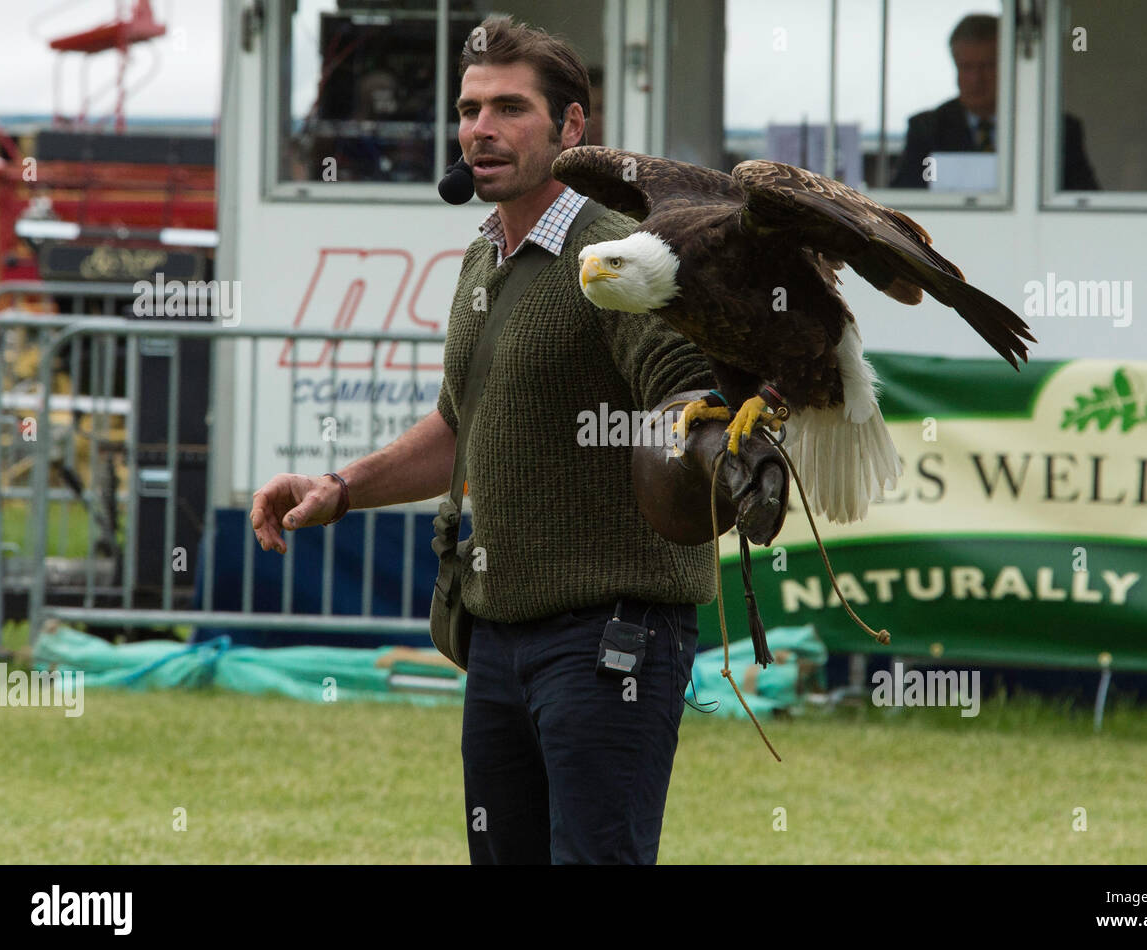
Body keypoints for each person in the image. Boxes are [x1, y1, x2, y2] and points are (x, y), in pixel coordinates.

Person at [250, 15, 778, 865]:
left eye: (508, 108)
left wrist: (726, 449)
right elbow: (462, 424)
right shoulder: (484, 258)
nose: (479, 130)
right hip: (498, 636)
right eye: (468, 109)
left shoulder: (619, 254)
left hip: (613, 637)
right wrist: (340, 487)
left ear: (572, 127)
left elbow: (687, 396)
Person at [890, 13, 1099, 191]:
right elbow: (905, 202)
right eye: (967, 67)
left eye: (988, 66)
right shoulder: (927, 128)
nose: (976, 79)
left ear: (1010, 66)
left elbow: (1081, 199)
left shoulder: (1055, 129)